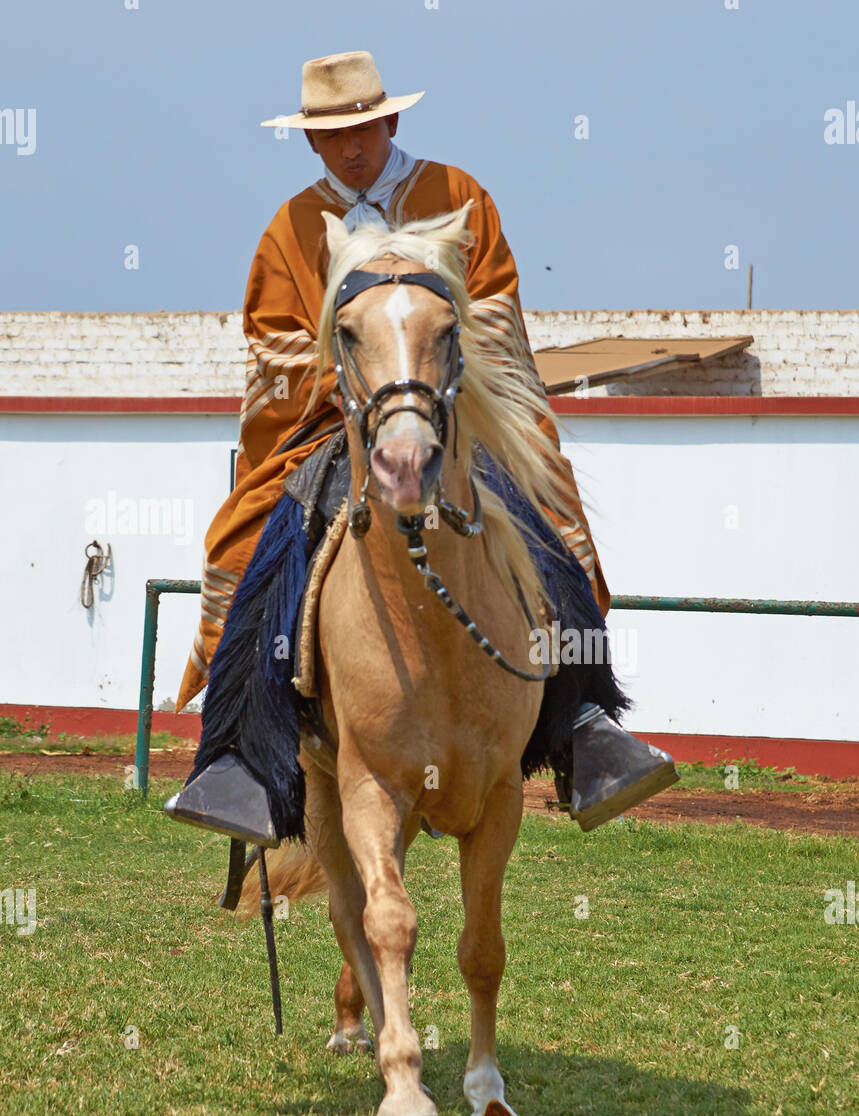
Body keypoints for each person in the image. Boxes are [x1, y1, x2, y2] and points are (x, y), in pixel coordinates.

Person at [167, 51, 675, 844]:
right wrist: (346, 375)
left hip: (455, 414)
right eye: (331, 136)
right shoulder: (290, 228)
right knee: (242, 548)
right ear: (310, 144)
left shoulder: (458, 198)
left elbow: (497, 314)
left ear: (390, 120)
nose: (351, 148)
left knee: (549, 523)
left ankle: (581, 723)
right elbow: (271, 346)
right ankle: (238, 758)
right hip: (332, 421)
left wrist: (429, 376)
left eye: (362, 128)